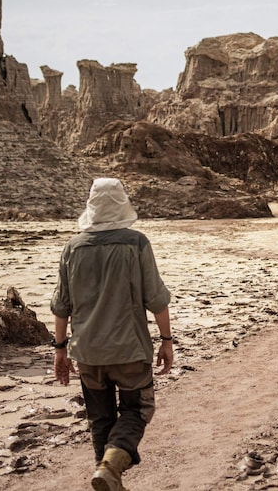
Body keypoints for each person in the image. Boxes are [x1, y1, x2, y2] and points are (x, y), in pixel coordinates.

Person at [51, 178, 173, 491]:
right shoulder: (137, 243)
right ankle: (110, 467)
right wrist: (166, 341)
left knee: (100, 419)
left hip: (88, 353)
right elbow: (156, 299)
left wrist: (60, 350)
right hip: (129, 350)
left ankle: (105, 475)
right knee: (137, 409)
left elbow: (61, 306)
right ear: (122, 205)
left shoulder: (72, 248)